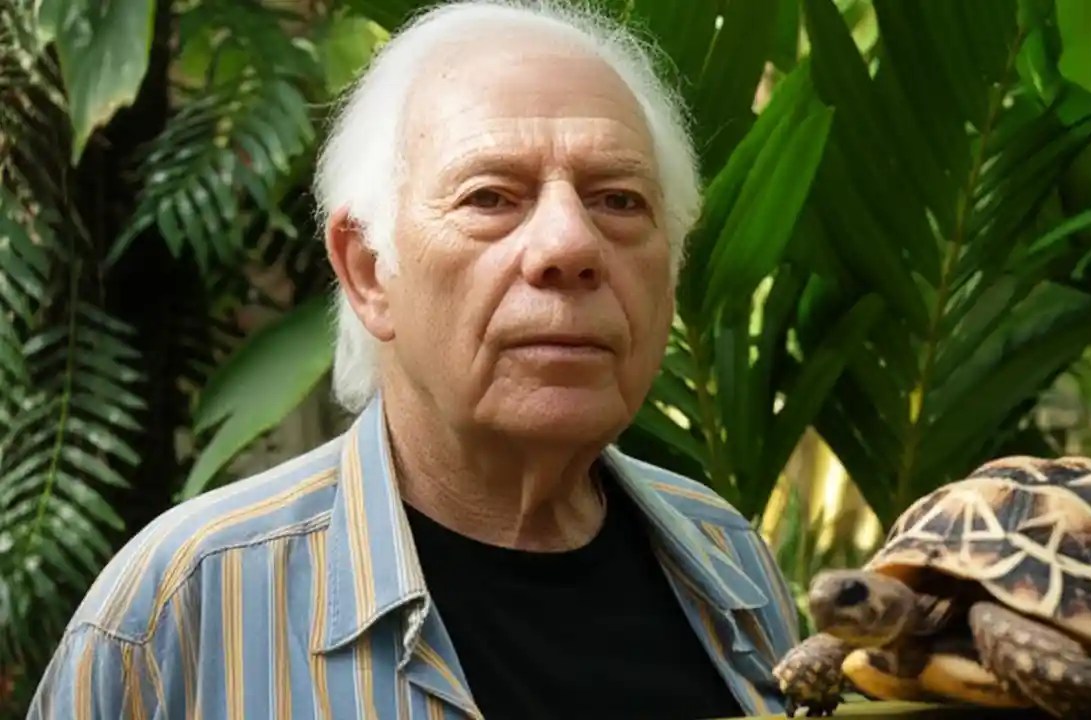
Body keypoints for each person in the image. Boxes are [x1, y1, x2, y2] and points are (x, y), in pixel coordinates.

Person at [26, 1, 801, 718]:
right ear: (368, 271)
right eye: (491, 197)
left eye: (619, 200)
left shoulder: (727, 565)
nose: (570, 244)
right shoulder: (184, 608)